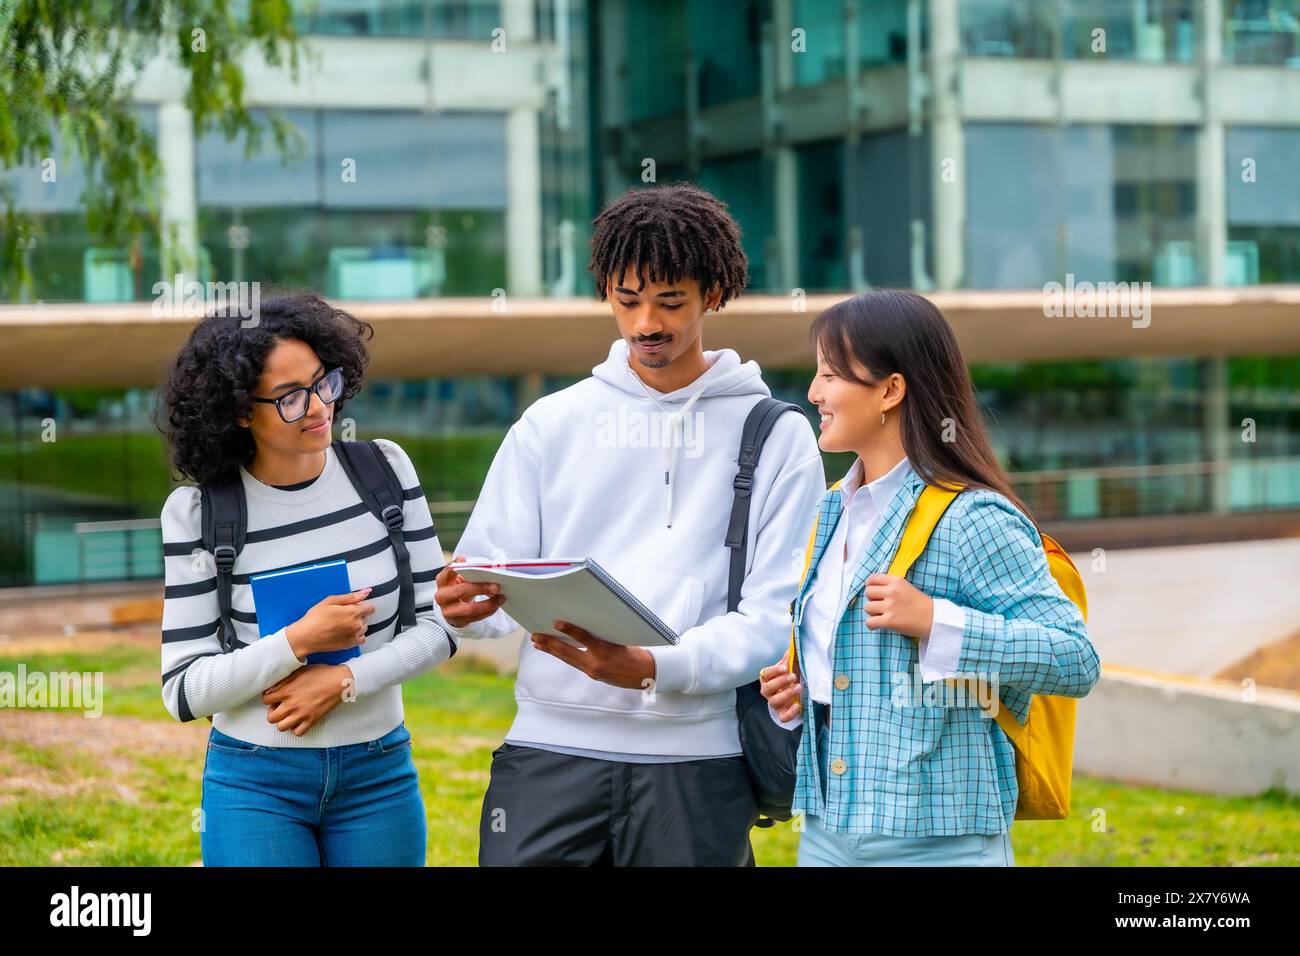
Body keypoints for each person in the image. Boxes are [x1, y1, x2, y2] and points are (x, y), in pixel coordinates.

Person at [434, 183, 827, 866]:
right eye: (627, 300)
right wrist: (466, 606)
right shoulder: (550, 424)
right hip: (548, 751)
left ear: (713, 292)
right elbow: (492, 583)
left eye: (670, 301)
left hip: (697, 761)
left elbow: (777, 619)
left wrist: (653, 668)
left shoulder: (777, 436)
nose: (647, 322)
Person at [760, 289, 1100, 866]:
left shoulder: (973, 517)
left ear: (891, 390)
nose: (813, 393)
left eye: (829, 376)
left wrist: (937, 621)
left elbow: (1075, 659)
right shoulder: (830, 512)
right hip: (825, 833)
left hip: (940, 845)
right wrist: (801, 687)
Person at [158, 292, 456, 866]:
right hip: (255, 782)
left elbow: (441, 627)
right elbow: (183, 690)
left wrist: (345, 678)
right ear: (240, 410)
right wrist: (298, 642)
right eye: (290, 397)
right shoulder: (199, 514)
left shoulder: (385, 471)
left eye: (323, 382)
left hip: (379, 771)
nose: (319, 407)